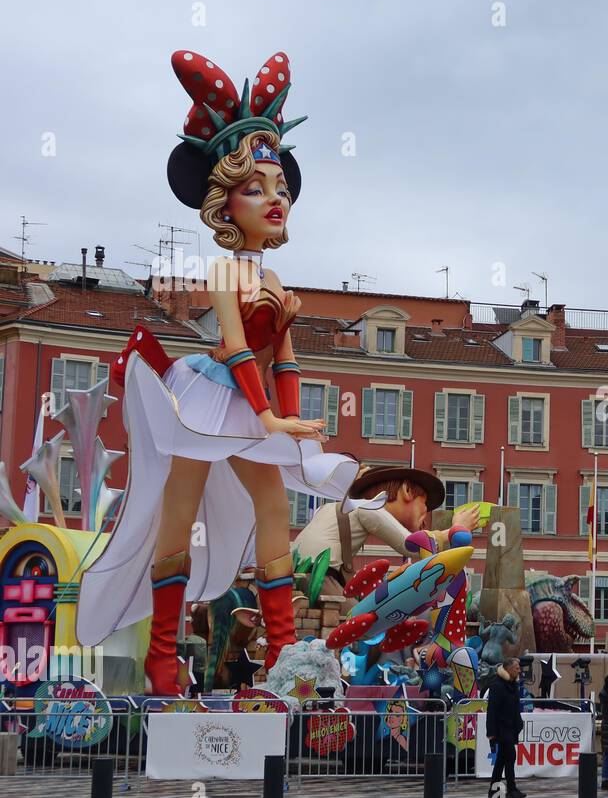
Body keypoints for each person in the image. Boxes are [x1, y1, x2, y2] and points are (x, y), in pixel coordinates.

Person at [78, 49, 363, 694]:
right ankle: (162, 658)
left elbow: (281, 355)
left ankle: (282, 656)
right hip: (209, 395)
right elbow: (235, 350)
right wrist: (269, 417)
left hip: (251, 397)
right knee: (177, 513)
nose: (274, 199)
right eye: (255, 188)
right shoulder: (227, 271)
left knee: (270, 506)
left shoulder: (272, 276)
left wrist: (290, 421)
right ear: (224, 203)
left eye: (279, 188)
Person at [295, 465, 480, 593]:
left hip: (296, 576)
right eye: (424, 503)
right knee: (364, 628)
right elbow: (410, 545)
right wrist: (456, 530)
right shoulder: (369, 507)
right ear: (407, 491)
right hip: (319, 578)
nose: (426, 511)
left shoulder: (335, 508)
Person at [485, 658, 526, 798]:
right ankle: (511, 789)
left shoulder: (513, 684)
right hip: (502, 729)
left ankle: (494, 789)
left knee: (502, 760)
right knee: (509, 758)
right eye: (516, 668)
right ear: (508, 669)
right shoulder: (497, 685)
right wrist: (490, 731)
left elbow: (515, 707)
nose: (519, 670)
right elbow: (492, 709)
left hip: (510, 727)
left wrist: (518, 724)